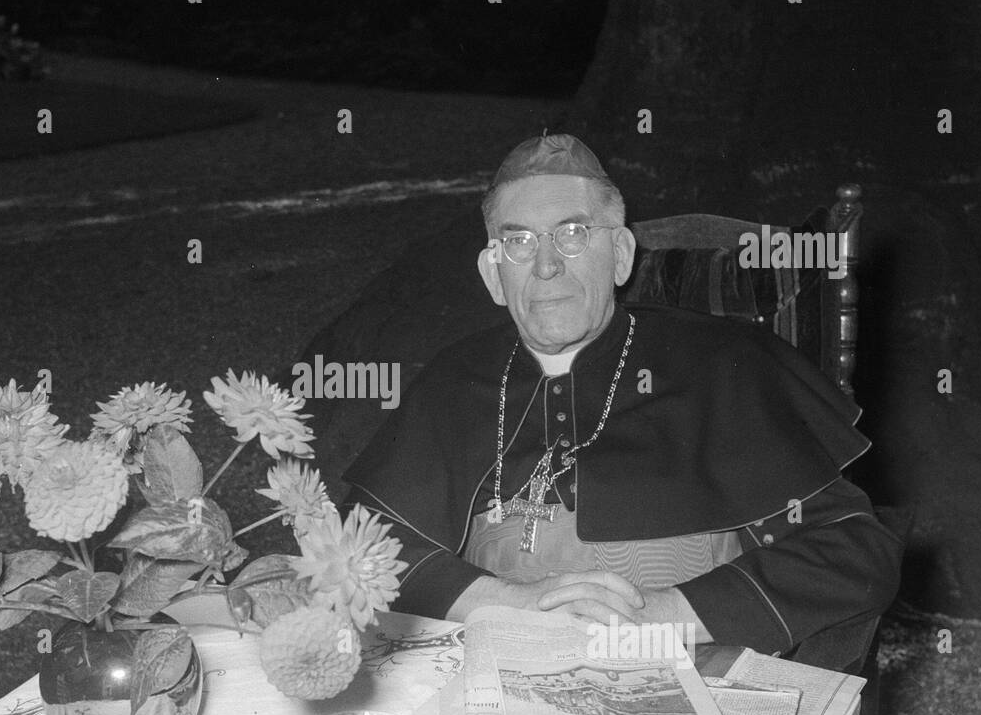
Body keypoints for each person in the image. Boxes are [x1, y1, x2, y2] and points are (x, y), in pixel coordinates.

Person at [341, 133, 902, 651]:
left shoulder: (726, 364)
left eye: (572, 233)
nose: (546, 264)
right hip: (496, 657)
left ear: (622, 255)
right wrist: (513, 604)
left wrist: (662, 616)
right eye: (517, 242)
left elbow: (854, 551)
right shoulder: (452, 381)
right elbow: (359, 548)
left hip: (694, 664)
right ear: (492, 274)